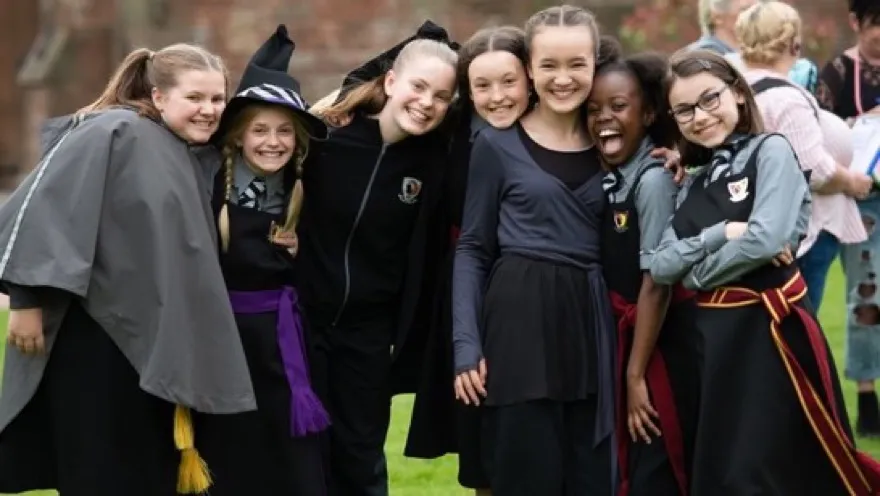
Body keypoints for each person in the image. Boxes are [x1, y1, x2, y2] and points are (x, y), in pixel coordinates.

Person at [0, 44, 256, 496]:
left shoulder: (188, 151)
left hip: (155, 345)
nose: (209, 110)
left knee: (147, 471)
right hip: (100, 341)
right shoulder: (113, 131)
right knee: (102, 470)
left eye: (218, 99)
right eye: (195, 97)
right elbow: (40, 210)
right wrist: (25, 301)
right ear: (159, 97)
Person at [650, 48, 880, 494]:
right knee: (720, 468)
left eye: (709, 99)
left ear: (737, 92)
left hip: (771, 336)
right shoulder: (694, 180)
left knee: (770, 467)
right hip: (713, 343)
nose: (700, 116)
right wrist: (723, 233)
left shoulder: (770, 150)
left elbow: (767, 240)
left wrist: (696, 274)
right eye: (684, 110)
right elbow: (662, 264)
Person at [453, 6, 614, 494]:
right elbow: (473, 249)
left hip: (592, 324)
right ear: (529, 69)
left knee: (593, 476)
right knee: (524, 471)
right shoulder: (497, 146)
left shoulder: (617, 139)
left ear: (594, 64)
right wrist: (466, 344)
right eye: (549, 66)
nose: (563, 79)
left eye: (576, 65)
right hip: (518, 326)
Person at [297, 21, 459, 496]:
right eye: (417, 87)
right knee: (303, 451)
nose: (426, 103)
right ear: (390, 82)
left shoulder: (435, 161)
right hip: (302, 319)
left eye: (442, 96)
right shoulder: (326, 138)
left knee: (361, 455)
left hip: (369, 335)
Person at [190, 25, 330, 496]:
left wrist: (300, 252)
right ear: (237, 136)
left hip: (285, 340)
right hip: (226, 339)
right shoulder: (208, 182)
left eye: (285, 131)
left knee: (288, 448)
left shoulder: (302, 188)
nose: (273, 142)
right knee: (232, 445)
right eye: (260, 130)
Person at [586, 42, 697, 496]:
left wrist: (635, 376)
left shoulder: (653, 179)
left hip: (656, 346)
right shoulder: (606, 170)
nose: (603, 118)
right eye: (593, 110)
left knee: (653, 449)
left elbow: (657, 285)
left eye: (617, 106)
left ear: (649, 114)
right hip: (622, 338)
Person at [735, 0, 869, 311]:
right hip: (805, 232)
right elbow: (812, 170)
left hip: (774, 228)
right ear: (793, 43)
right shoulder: (784, 99)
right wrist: (852, 182)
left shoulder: (742, 89)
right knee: (799, 327)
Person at [817, 0, 880, 438]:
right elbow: (819, 134)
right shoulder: (837, 73)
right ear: (856, 23)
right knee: (867, 298)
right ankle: (865, 394)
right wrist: (861, 123)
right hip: (862, 203)